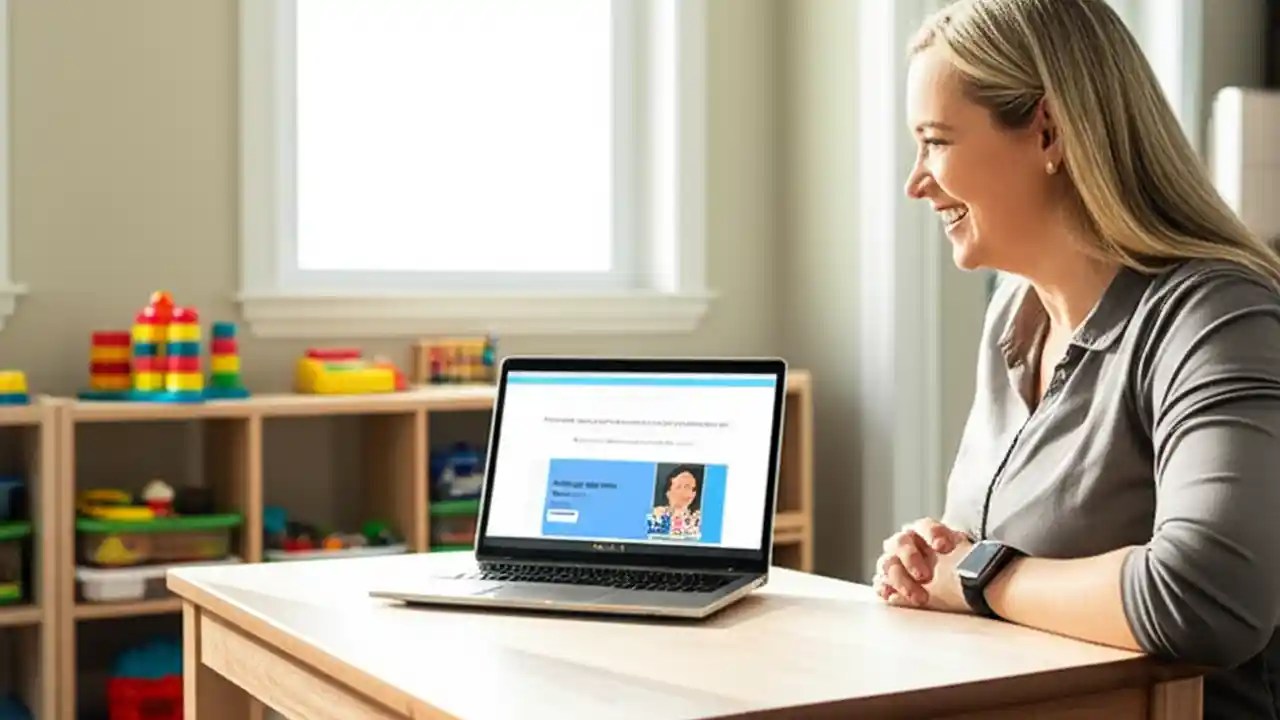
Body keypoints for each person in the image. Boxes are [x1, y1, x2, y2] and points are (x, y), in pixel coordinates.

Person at [876, 1, 1280, 717]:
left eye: (936, 142)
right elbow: (1006, 565)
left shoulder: (1220, 317)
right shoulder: (1015, 311)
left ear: (1048, 129)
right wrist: (937, 557)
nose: (917, 182)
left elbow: (1209, 594)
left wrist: (975, 575)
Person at [646, 465, 703, 540]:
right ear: (668, 492)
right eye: (678, 487)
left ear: (693, 494)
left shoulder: (699, 520)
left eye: (687, 487)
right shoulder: (655, 516)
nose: (682, 493)